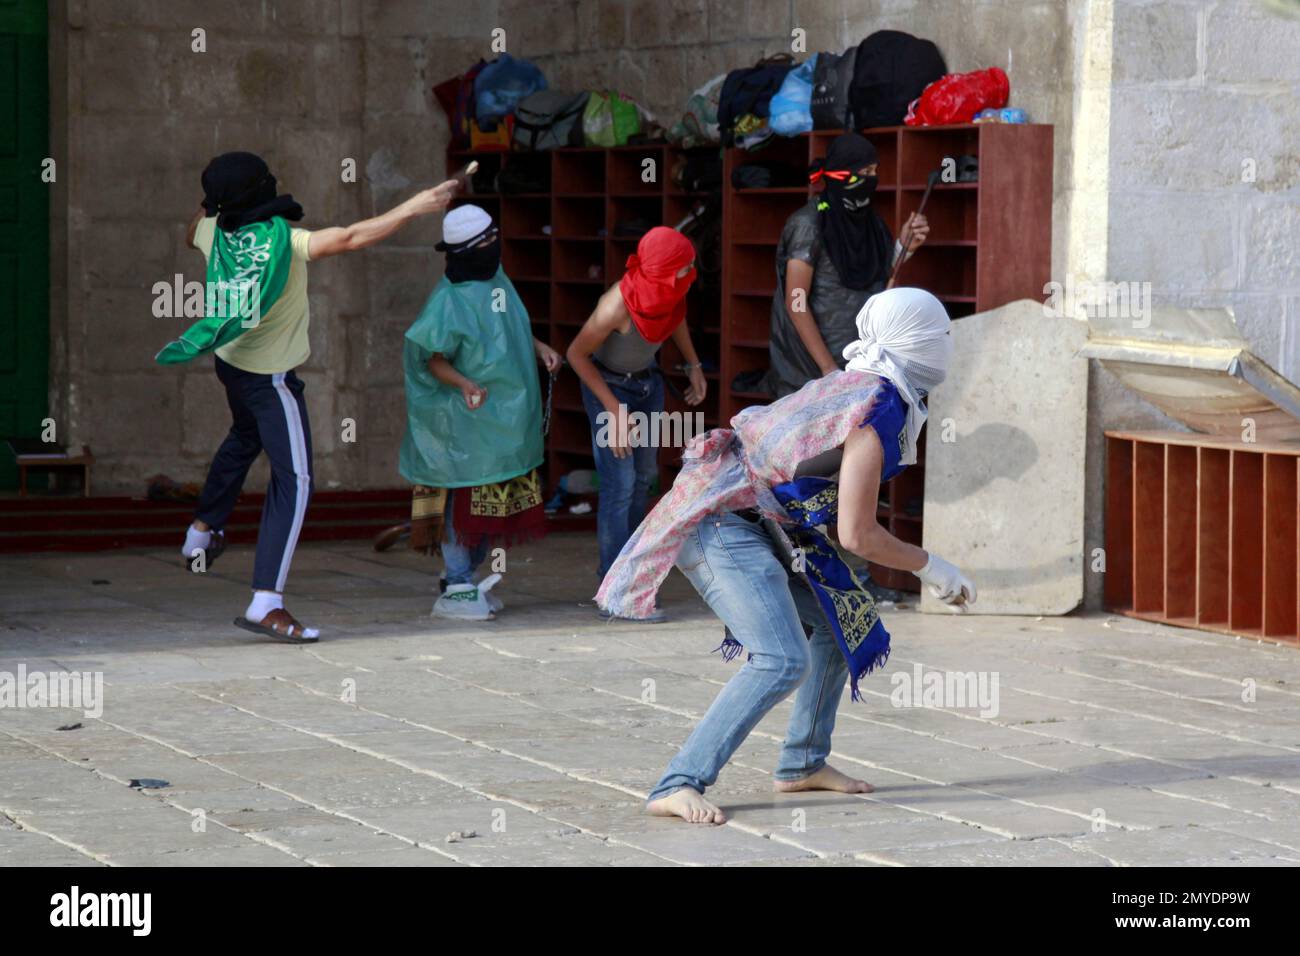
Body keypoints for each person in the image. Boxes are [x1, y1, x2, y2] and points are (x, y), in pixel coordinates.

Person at [596, 287, 977, 825]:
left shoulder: (868, 384)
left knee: (839, 624)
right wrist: (933, 567)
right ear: (913, 344)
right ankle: (677, 783)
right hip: (721, 523)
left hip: (762, 518)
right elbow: (858, 534)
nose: (944, 346)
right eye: (936, 336)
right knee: (780, 658)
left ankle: (802, 763)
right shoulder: (878, 407)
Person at [162, 151, 459, 643]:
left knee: (243, 437)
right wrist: (414, 206)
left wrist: (211, 204)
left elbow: (193, 224)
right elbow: (349, 237)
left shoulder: (212, 232)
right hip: (269, 379)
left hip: (229, 362)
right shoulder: (287, 242)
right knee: (295, 481)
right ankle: (266, 602)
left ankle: (201, 530)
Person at [399, 204, 563, 621]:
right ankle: (456, 581)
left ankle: (465, 577)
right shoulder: (447, 301)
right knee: (462, 503)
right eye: (485, 243)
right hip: (464, 420)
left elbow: (509, 329)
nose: (494, 248)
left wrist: (538, 346)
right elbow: (432, 359)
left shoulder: (497, 280)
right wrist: (465, 384)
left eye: (494, 238)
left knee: (492, 502)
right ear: (468, 250)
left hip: (501, 419)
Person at [565, 226, 708, 594]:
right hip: (608, 388)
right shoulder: (617, 304)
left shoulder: (673, 288)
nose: (690, 271)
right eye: (683, 266)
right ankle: (615, 585)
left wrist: (693, 364)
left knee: (644, 477)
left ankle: (633, 570)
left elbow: (676, 319)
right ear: (661, 270)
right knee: (620, 484)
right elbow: (576, 355)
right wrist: (614, 410)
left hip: (647, 384)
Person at [766, 132, 930, 397]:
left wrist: (904, 247)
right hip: (810, 373)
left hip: (860, 363)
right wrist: (828, 369)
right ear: (841, 175)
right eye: (864, 171)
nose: (871, 178)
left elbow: (875, 278)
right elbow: (795, 303)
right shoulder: (808, 225)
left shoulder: (870, 223)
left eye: (875, 170)